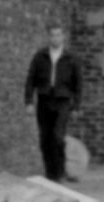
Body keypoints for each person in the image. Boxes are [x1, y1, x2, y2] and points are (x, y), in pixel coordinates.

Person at [24, 23, 82, 182]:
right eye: (52, 35)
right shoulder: (40, 56)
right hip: (44, 99)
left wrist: (76, 106)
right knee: (45, 138)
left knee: (58, 136)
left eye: (58, 35)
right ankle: (50, 173)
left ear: (63, 37)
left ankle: (59, 171)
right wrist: (29, 101)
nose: (55, 38)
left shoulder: (71, 58)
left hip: (63, 101)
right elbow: (31, 79)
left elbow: (78, 84)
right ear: (48, 37)